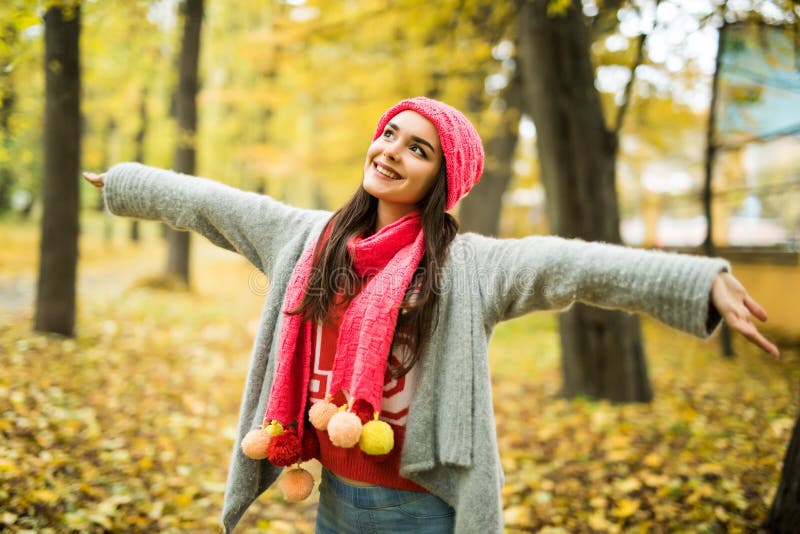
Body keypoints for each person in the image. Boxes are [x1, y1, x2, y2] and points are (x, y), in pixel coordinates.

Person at [83, 96, 779, 534]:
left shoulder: (468, 265)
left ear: (442, 180)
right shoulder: (306, 238)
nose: (391, 151)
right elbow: (213, 204)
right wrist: (126, 183)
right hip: (333, 495)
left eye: (417, 149)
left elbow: (574, 264)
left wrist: (699, 281)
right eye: (390, 134)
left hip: (422, 505)